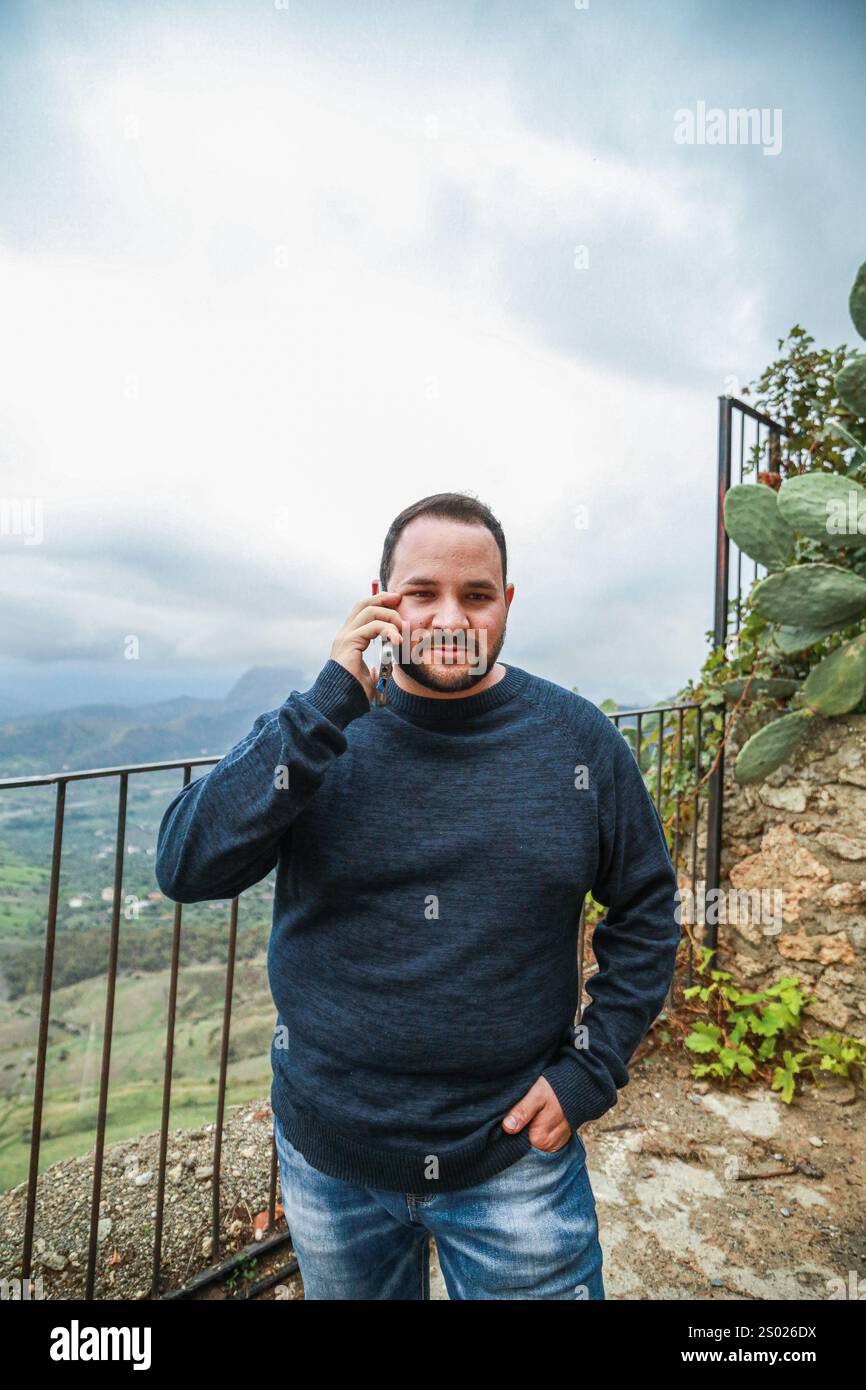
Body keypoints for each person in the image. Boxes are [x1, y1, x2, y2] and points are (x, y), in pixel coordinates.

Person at [155, 491, 681, 1300]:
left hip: (512, 1164)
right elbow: (186, 866)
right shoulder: (318, 732)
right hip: (330, 1163)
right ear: (380, 600)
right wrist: (332, 696)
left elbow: (647, 909)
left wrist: (590, 1070)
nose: (450, 616)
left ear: (506, 605)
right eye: (421, 592)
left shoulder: (577, 743)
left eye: (476, 596)